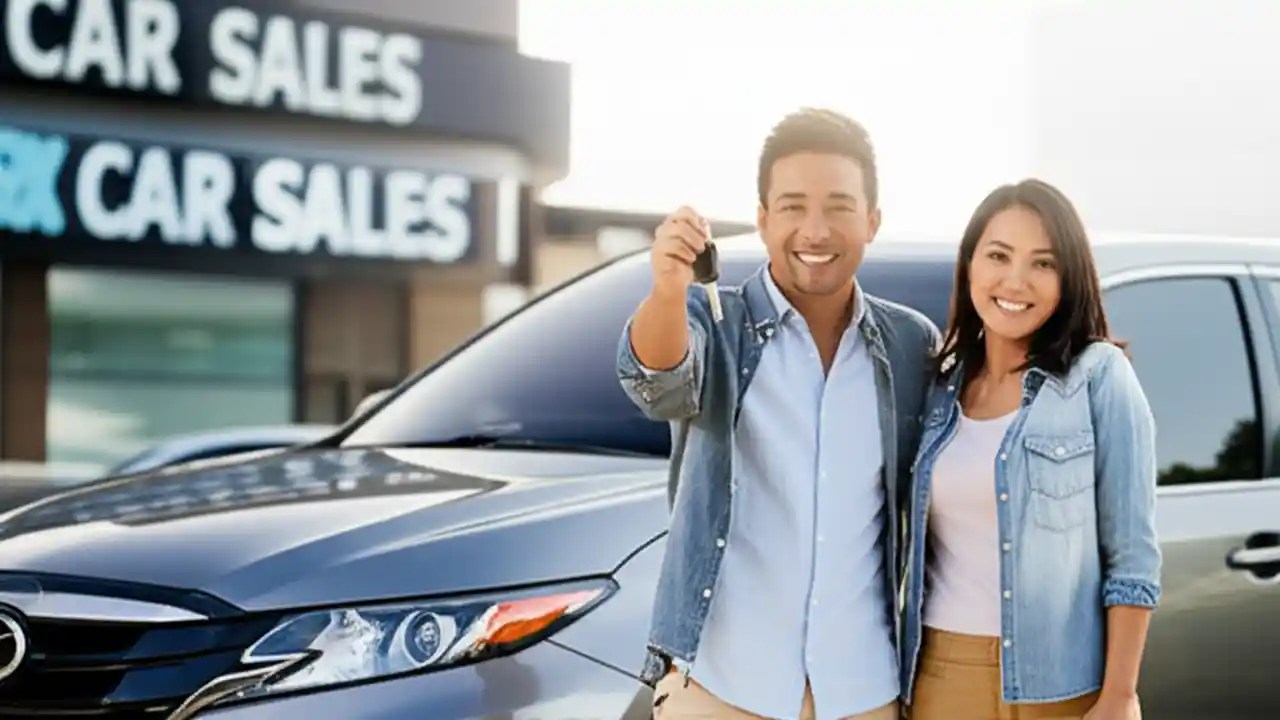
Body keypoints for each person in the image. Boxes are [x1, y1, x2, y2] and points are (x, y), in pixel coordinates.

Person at [615, 107, 940, 720]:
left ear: (872, 221)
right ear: (763, 221)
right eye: (792, 207)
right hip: (721, 685)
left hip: (864, 689)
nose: (815, 231)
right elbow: (656, 383)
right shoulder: (717, 324)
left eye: (839, 207)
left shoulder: (909, 344)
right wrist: (666, 288)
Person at [898, 179, 1161, 720]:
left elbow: (1132, 555)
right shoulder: (939, 389)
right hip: (942, 671)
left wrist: (1119, 695)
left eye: (1044, 263)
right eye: (998, 255)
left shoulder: (1098, 378)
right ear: (970, 263)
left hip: (1063, 681)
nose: (1016, 280)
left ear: (1068, 279)